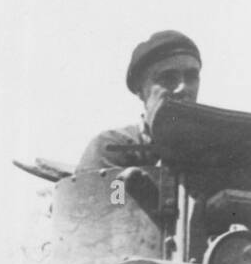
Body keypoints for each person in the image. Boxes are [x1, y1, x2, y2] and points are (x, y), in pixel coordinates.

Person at [76, 30, 202, 172]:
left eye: (191, 77)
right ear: (140, 90)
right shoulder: (114, 147)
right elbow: (113, 192)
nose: (183, 88)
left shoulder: (213, 150)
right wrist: (129, 190)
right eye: (168, 78)